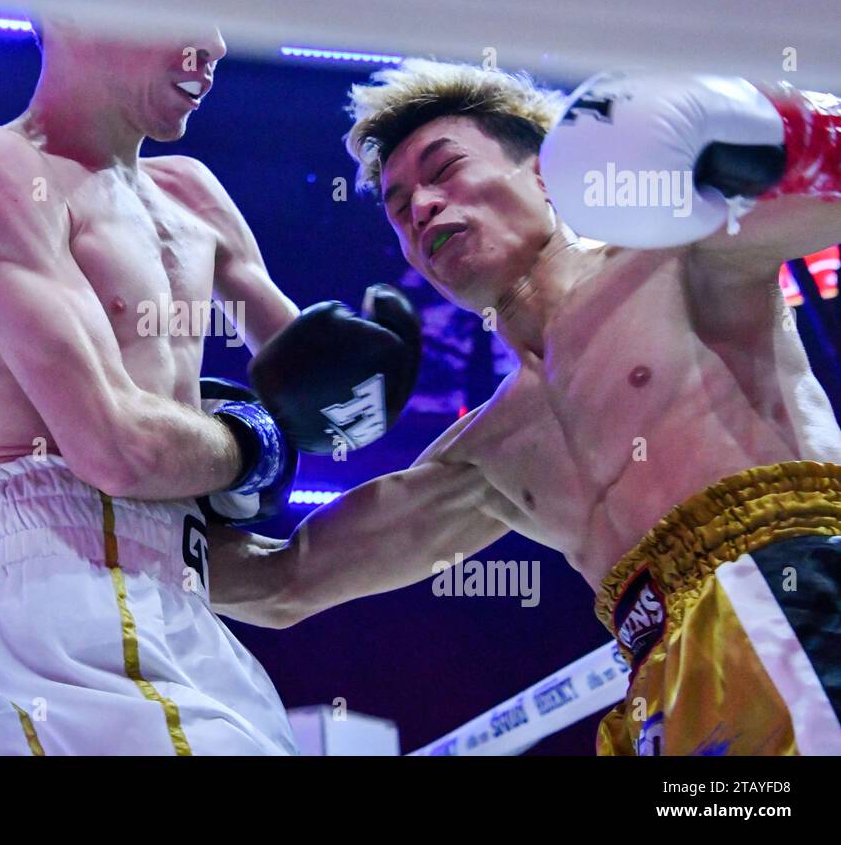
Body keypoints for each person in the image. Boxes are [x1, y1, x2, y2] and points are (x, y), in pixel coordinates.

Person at [210, 60, 841, 756]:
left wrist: (754, 133)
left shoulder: (675, 255)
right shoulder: (491, 451)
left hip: (796, 593)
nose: (421, 206)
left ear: (546, 171)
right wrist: (222, 461)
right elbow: (287, 581)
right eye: (398, 205)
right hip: (664, 689)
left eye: (444, 169)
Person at [0, 17, 420, 755]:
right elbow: (117, 449)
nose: (213, 47)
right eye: (184, 7)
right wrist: (259, 442)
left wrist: (364, 391)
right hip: (63, 605)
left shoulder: (194, 198)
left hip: (188, 604)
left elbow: (313, 390)